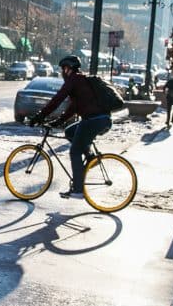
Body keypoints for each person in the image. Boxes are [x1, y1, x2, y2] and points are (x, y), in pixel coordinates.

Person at [28, 55, 112, 199]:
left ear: (68, 68)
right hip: (98, 119)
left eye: (63, 69)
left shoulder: (74, 79)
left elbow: (58, 99)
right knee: (70, 131)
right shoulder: (80, 81)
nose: (62, 72)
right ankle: (90, 157)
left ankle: (78, 190)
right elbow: (73, 107)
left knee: (74, 152)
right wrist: (58, 122)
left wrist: (40, 116)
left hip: (94, 120)